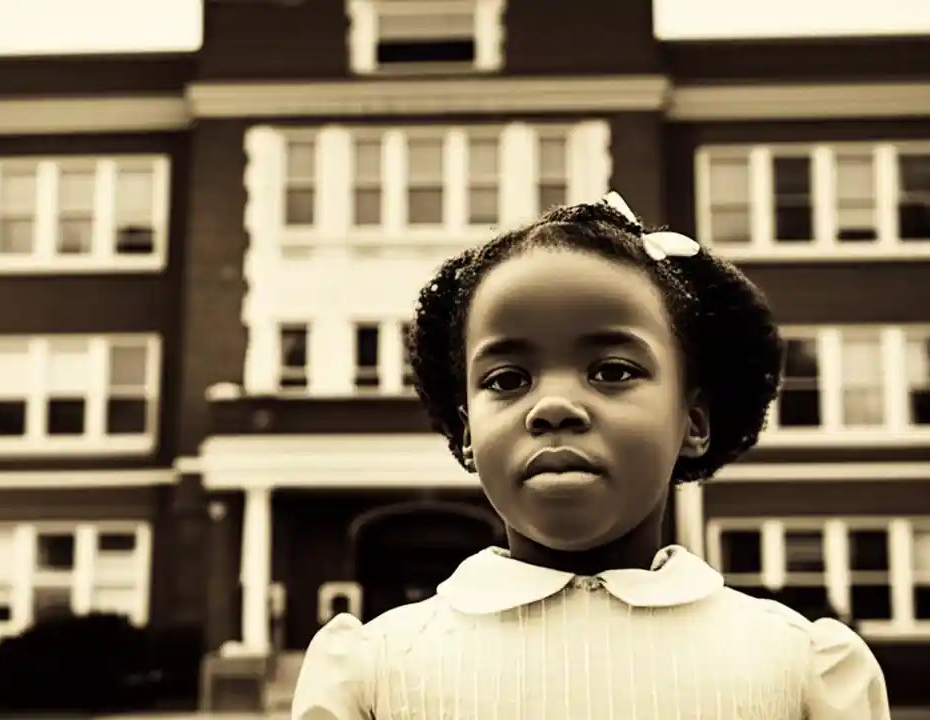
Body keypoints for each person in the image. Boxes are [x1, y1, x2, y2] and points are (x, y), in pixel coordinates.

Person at [291, 193, 891, 719]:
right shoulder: (373, 673)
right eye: (506, 379)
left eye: (611, 370)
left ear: (694, 421)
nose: (553, 407)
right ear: (467, 431)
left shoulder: (798, 669)